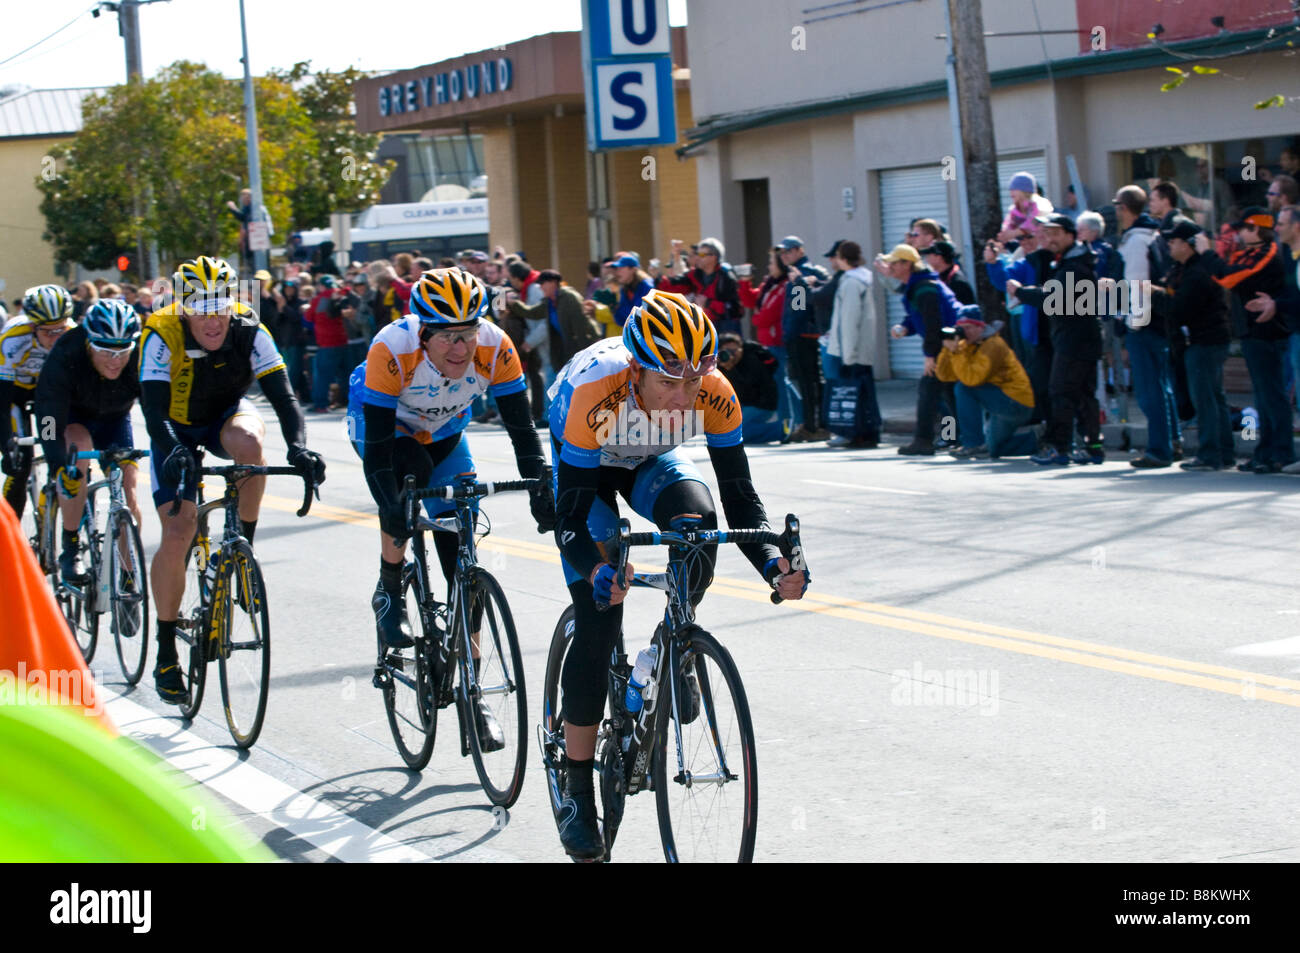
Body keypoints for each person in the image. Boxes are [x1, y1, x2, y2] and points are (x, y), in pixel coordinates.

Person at [546, 290, 808, 859]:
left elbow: (741, 500)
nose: (684, 396)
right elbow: (568, 519)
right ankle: (576, 788)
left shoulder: (714, 391)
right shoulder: (596, 391)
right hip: (587, 469)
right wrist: (596, 568)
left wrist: (772, 564)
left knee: (699, 523)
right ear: (636, 369)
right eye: (669, 381)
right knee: (598, 618)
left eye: (694, 380)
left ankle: (672, 647)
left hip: (650, 461)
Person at [139, 256, 326, 704]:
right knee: (179, 530)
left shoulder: (249, 328)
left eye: (219, 307)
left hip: (224, 416)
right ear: (183, 308)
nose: (213, 320)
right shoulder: (161, 332)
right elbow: (153, 411)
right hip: (174, 428)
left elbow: (284, 397)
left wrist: (298, 447)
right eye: (200, 309)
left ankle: (243, 547)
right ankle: (165, 651)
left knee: (250, 444)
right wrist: (176, 451)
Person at [347, 269, 552, 667]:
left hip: (446, 432)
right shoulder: (392, 347)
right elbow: (378, 453)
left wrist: (538, 485)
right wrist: (390, 504)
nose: (461, 348)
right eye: (447, 336)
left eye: (468, 333)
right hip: (390, 432)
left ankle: (469, 669)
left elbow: (523, 431)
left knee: (461, 539)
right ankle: (390, 587)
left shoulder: (495, 346)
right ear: (423, 334)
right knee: (411, 473)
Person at [34, 299, 144, 586]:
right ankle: (70, 546)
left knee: (129, 487)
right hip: (72, 418)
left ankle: (129, 575)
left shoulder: (141, 353)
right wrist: (59, 465)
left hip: (115, 419)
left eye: (122, 350)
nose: (115, 360)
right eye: (105, 350)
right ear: (88, 342)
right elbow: (47, 417)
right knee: (77, 454)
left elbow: (158, 407)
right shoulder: (67, 351)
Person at [1004, 214, 1104, 466]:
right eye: (1047, 233)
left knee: (1061, 393)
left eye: (1056, 233)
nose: (1050, 239)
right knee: (1082, 395)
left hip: (1074, 340)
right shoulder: (1066, 262)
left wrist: (1021, 292)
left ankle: (1060, 448)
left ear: (1071, 235)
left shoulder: (1074, 267)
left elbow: (1053, 298)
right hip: (1078, 338)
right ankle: (1092, 447)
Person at [1201, 208, 1292, 472]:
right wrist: (1217, 255)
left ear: (1256, 229)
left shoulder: (1268, 253)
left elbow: (1230, 277)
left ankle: (1282, 453)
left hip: (1266, 332)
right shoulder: (1249, 253)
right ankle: (1265, 452)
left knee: (1272, 395)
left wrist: (1207, 253)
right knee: (1262, 396)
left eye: (1243, 228)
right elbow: (1224, 271)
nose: (1239, 233)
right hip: (1251, 332)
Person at [1148, 219, 1235, 470]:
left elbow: (1178, 309)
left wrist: (1153, 295)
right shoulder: (1183, 269)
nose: (1169, 245)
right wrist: (1158, 291)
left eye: (1174, 241)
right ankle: (1223, 453)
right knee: (1213, 397)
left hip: (1205, 341)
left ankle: (1210, 454)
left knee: (1205, 398)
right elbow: (1173, 296)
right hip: (1203, 341)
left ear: (1188, 245)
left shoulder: (1198, 272)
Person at [1111, 184, 1180, 468]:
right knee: (1162, 387)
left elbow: (1137, 284)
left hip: (1145, 324)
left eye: (1118, 206)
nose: (1116, 212)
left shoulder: (1136, 241)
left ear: (1124, 208)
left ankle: (1159, 449)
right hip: (1157, 320)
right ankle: (1173, 441)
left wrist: (1132, 323)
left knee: (1150, 391)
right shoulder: (1151, 235)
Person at [1, 286, 76, 518]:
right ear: (33, 326)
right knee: (20, 464)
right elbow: (2, 402)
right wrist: (7, 446)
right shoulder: (14, 339)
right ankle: (10, 533)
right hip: (14, 395)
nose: (55, 338)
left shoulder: (74, 335)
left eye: (60, 329)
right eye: (48, 332)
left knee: (60, 450)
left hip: (49, 396)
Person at [884, 244, 959, 455]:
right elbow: (917, 316)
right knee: (948, 395)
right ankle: (955, 437)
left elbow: (933, 323)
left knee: (930, 393)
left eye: (893, 263)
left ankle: (924, 440)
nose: (890, 267)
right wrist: (905, 328)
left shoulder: (924, 288)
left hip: (947, 345)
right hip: (945, 344)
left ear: (906, 264)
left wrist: (930, 355)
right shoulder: (918, 285)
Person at [936, 315, 1037, 459]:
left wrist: (956, 352)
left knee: (963, 389)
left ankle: (972, 443)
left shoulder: (993, 345)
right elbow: (945, 375)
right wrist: (948, 350)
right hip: (998, 401)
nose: (965, 332)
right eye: (961, 328)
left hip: (1014, 402)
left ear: (981, 327)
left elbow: (972, 380)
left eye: (968, 328)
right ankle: (1036, 439)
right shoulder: (966, 344)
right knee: (993, 450)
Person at [825, 240, 881, 448]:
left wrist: (847, 355)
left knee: (851, 395)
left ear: (843, 258)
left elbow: (849, 320)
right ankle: (868, 433)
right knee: (864, 394)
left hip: (852, 351)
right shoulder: (862, 278)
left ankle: (854, 433)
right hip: (861, 349)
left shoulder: (850, 282)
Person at [778, 235, 831, 442]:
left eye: (788, 251)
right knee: (808, 382)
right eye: (782, 252)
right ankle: (813, 424)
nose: (784, 255)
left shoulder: (803, 272)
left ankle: (813, 426)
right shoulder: (798, 272)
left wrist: (790, 332)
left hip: (803, 335)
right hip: (801, 334)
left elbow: (799, 307)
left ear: (800, 250)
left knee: (809, 383)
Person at [508, 269, 601, 377]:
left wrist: (586, 355)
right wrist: (514, 303)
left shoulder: (569, 297)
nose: (541, 287)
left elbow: (582, 326)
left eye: (543, 283)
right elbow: (531, 313)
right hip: (563, 355)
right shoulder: (549, 302)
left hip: (581, 351)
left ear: (553, 282)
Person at [658, 237, 743, 337]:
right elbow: (675, 287)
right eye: (697, 254)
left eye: (702, 255)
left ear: (714, 257)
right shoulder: (695, 274)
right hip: (703, 327)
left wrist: (708, 303)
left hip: (726, 330)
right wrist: (658, 280)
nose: (697, 258)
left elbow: (736, 310)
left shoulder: (726, 276)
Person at [716, 332, 783, 444]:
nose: (731, 354)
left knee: (738, 432)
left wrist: (731, 370)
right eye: (727, 351)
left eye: (734, 350)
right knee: (724, 433)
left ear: (741, 348)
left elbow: (746, 391)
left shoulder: (752, 360)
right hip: (741, 406)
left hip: (761, 404)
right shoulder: (721, 362)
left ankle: (782, 429)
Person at [997, 172, 1054, 243]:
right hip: (1023, 244)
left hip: (1041, 243)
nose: (1011, 192)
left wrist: (1015, 232)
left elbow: (1033, 223)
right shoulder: (1014, 209)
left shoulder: (1039, 205)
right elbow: (1008, 225)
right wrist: (1005, 234)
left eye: (1014, 189)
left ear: (1024, 191)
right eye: (1010, 189)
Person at [921, 240, 975, 305]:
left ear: (939, 257)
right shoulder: (940, 277)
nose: (927, 258)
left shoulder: (958, 283)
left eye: (929, 254)